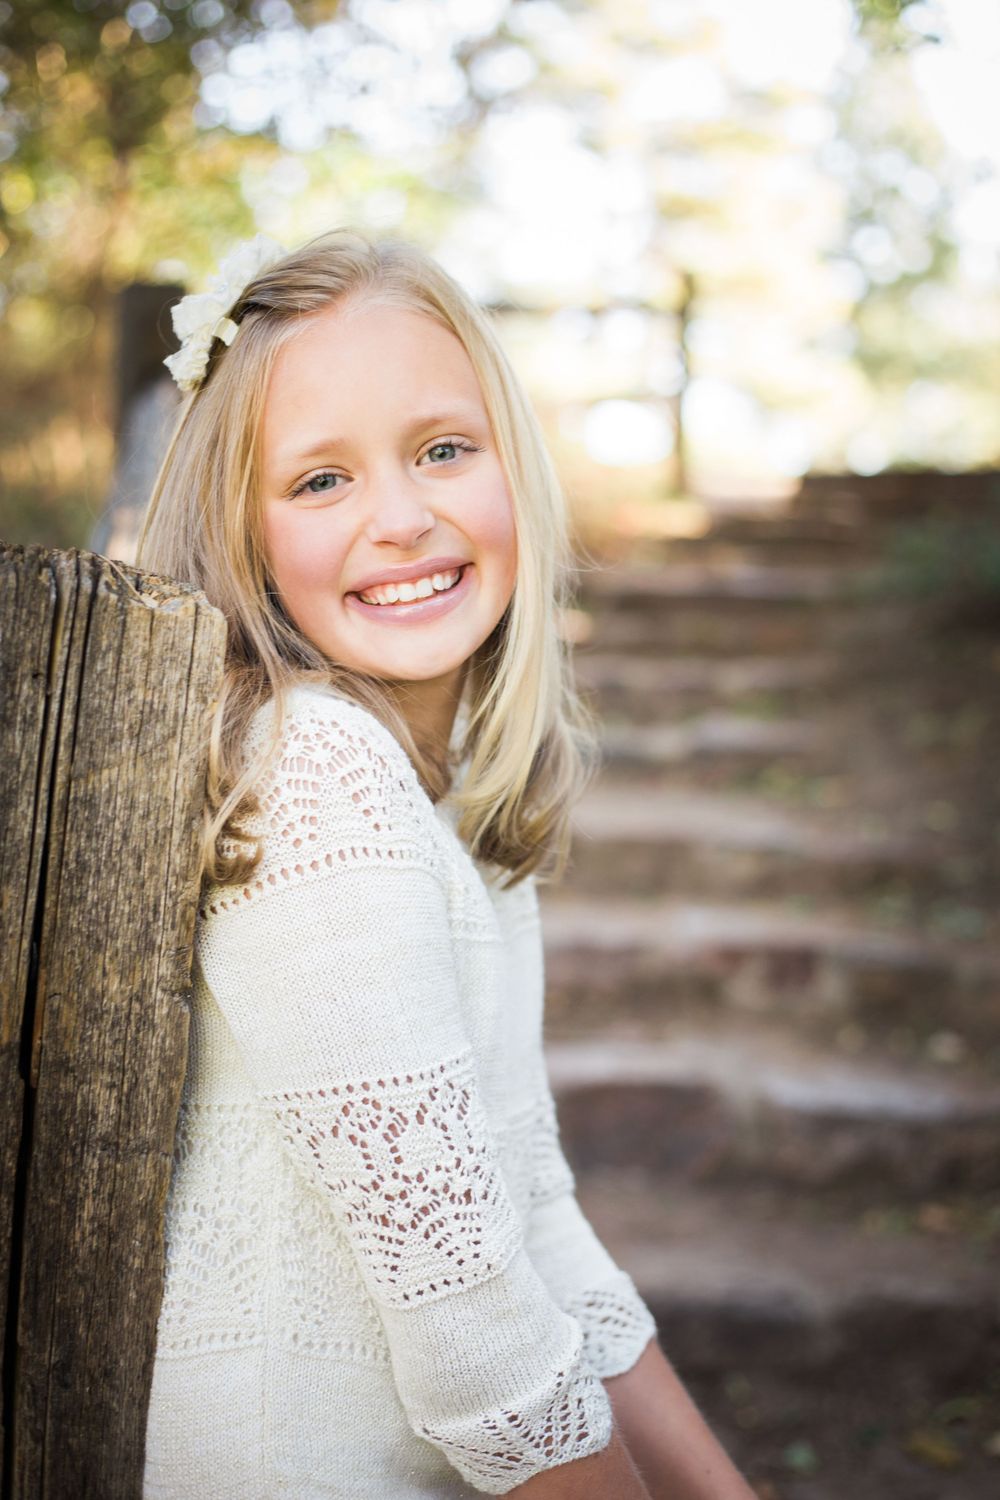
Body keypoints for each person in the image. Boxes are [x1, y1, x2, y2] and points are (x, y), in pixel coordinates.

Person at [136, 228, 756, 1499]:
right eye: (319, 481)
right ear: (240, 535)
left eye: (440, 450)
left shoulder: (446, 793)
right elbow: (475, 1331)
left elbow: (534, 1217)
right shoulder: (314, 778)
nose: (403, 518)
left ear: (507, 462)